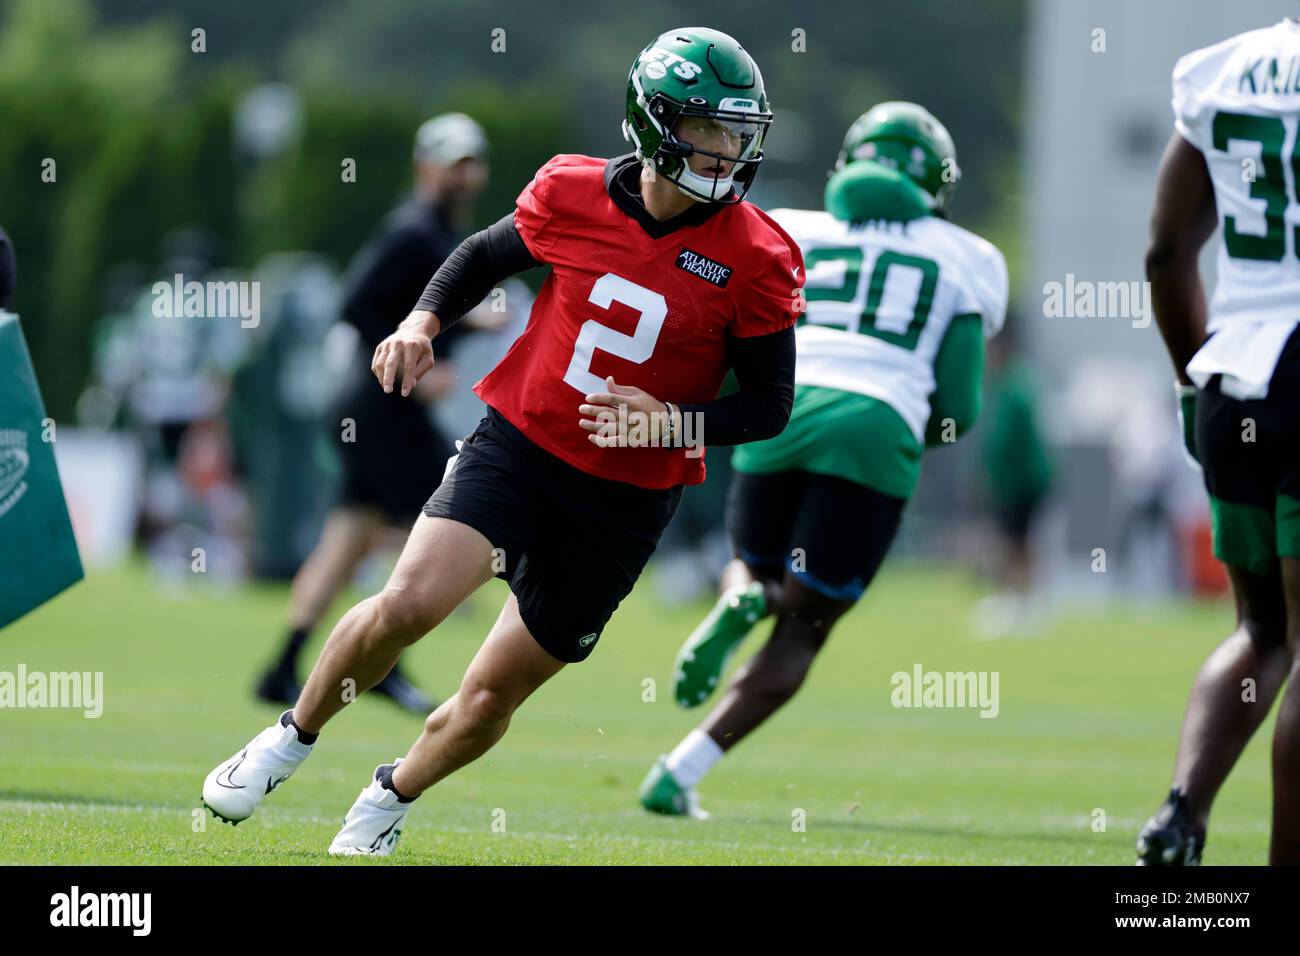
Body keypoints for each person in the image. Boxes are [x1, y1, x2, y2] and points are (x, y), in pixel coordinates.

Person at [201, 27, 801, 856]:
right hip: (519, 446)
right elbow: (484, 254)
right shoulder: (572, 191)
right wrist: (421, 319)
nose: (728, 151)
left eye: (739, 133)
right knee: (407, 606)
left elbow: (770, 405)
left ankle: (388, 798)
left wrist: (671, 420)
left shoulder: (759, 255)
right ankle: (287, 739)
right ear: (656, 124)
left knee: (487, 701)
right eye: (708, 130)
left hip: (626, 501)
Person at [639, 103, 1006, 817]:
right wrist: (913, 433)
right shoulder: (968, 256)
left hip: (786, 407)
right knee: (805, 628)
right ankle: (679, 771)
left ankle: (740, 585)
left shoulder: (793, 226)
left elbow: (739, 326)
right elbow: (959, 401)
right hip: (875, 415)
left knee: (758, 562)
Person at [254, 113, 491, 714]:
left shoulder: (438, 232)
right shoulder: (413, 231)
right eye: (453, 163)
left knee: (347, 539)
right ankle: (385, 663)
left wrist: (471, 320)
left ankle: (282, 667)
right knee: (445, 509)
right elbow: (355, 305)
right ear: (425, 166)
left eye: (472, 163)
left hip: (376, 406)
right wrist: (415, 364)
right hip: (382, 405)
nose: (465, 175)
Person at [1139, 15, 1300, 866]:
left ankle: (1180, 815)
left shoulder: (1226, 66)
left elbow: (1167, 253)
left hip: (1234, 370)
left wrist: (1189, 379)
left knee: (1263, 631)